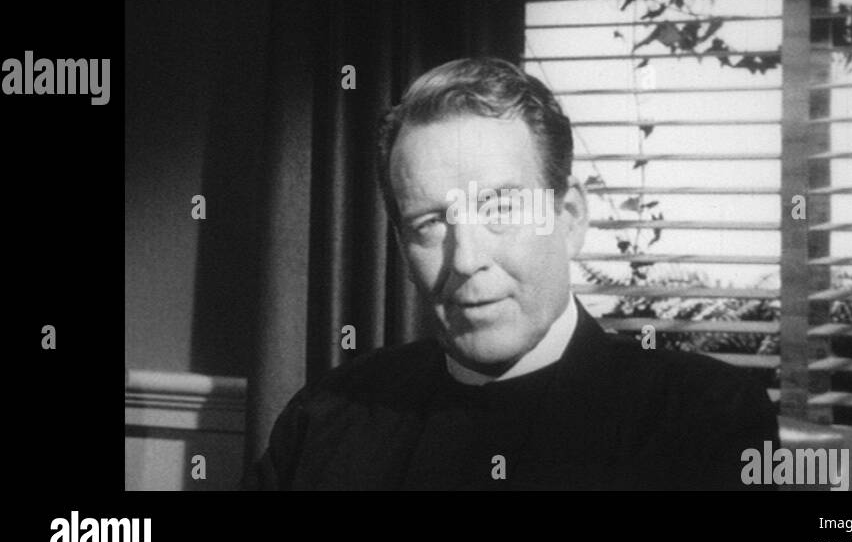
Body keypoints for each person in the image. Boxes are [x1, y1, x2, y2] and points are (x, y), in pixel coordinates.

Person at [245, 57, 778, 490]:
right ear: (403, 248)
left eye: (500, 208)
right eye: (430, 223)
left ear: (569, 220)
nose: (464, 258)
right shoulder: (324, 418)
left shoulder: (703, 418)